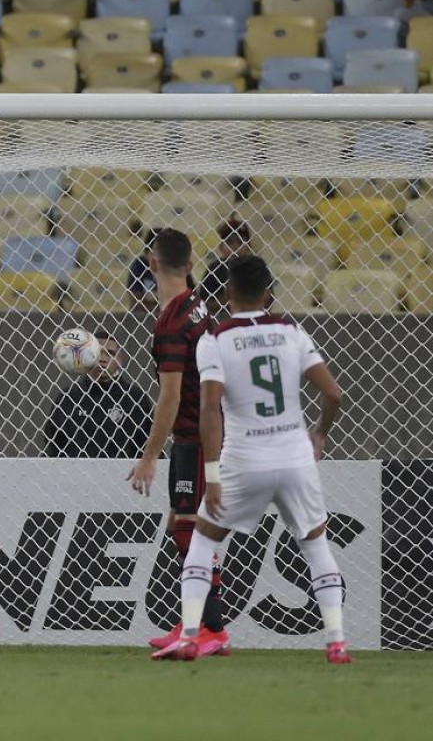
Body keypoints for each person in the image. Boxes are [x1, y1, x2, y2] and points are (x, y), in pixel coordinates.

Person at [153, 255, 350, 663]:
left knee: (204, 540)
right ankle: (336, 642)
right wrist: (320, 432)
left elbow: (210, 409)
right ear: (270, 292)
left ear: (226, 293)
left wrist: (213, 473)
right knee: (315, 543)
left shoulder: (216, 339)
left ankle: (192, 634)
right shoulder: (291, 331)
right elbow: (334, 394)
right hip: (295, 457)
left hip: (245, 460)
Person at [126, 228, 229, 656]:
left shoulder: (170, 322)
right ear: (190, 265)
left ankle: (213, 629)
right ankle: (195, 622)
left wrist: (149, 456)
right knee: (182, 528)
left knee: (191, 532)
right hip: (206, 433)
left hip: (195, 438)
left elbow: (169, 397)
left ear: (152, 264)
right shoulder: (198, 306)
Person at [43, 330, 152, 459]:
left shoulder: (135, 398)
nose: (103, 359)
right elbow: (52, 446)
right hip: (75, 475)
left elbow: (149, 444)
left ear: (120, 360)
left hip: (122, 475)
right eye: (97, 353)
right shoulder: (68, 397)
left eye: (110, 353)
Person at [197, 219, 253, 317]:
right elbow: (203, 302)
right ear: (221, 247)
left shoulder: (255, 267)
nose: (235, 246)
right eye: (229, 242)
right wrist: (229, 300)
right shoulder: (214, 268)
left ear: (249, 246)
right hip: (220, 318)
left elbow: (269, 299)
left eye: (240, 242)